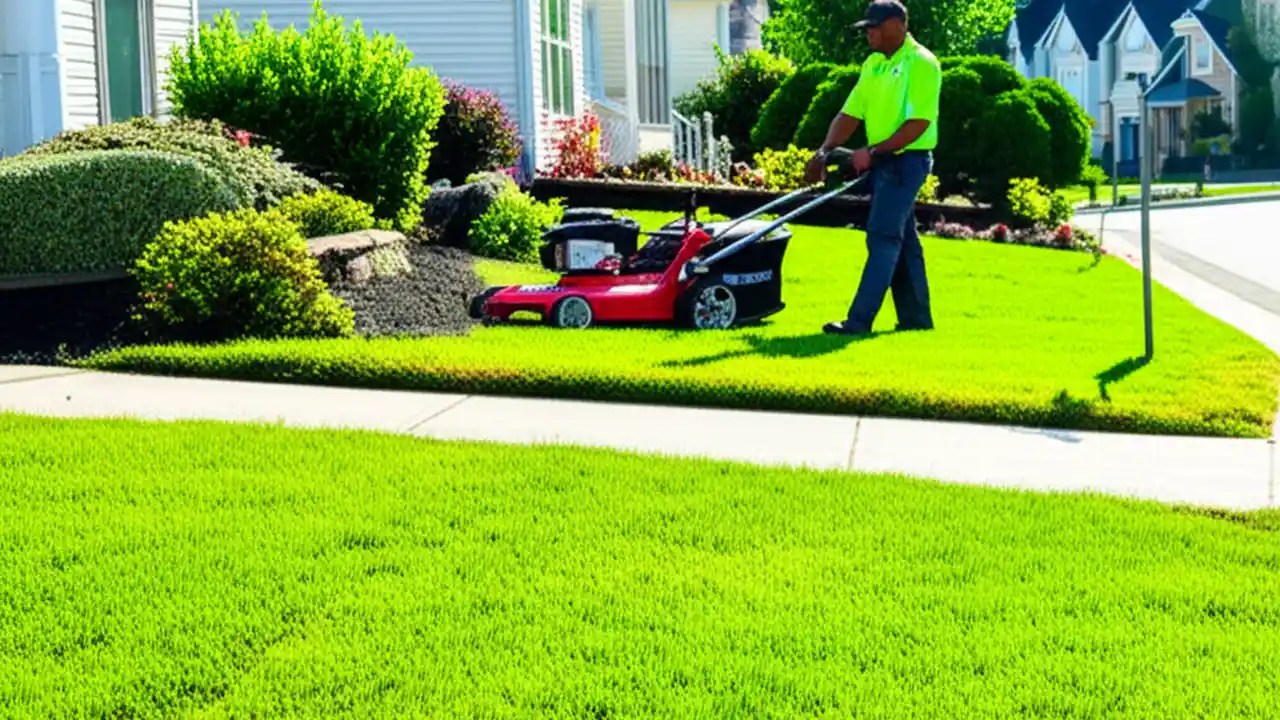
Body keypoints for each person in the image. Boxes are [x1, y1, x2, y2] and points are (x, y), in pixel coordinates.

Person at [803, 0, 941, 335]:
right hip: (883, 161)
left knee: (882, 235)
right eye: (866, 28)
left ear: (897, 24)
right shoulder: (874, 65)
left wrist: (872, 151)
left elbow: (919, 123)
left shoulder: (920, 63)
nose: (869, 34)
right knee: (902, 240)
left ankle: (858, 322)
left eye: (874, 27)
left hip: (907, 161)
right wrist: (824, 151)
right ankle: (917, 320)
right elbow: (849, 114)